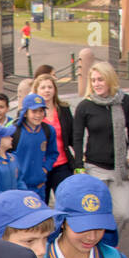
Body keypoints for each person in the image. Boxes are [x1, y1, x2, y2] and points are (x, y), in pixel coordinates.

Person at [72, 61, 129, 230]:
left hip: (119, 169)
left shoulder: (125, 102)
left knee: (123, 214)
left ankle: (111, 244)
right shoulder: (85, 106)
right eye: (93, 80)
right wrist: (79, 165)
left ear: (110, 79)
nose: (96, 84)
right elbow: (78, 138)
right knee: (97, 214)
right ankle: (100, 249)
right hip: (95, 168)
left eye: (100, 79)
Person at [31, 73, 77, 203]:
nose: (47, 90)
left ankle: (63, 224)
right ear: (36, 91)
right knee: (41, 203)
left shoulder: (64, 109)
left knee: (66, 201)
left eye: (50, 87)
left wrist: (79, 161)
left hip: (62, 164)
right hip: (41, 166)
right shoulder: (30, 112)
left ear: (54, 90)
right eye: (43, 87)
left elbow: (73, 136)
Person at [9, 93, 56, 201]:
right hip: (19, 187)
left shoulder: (48, 130)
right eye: (34, 111)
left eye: (41, 111)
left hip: (39, 186)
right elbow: (6, 154)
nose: (38, 115)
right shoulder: (15, 131)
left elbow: (52, 153)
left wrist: (44, 169)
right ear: (25, 113)